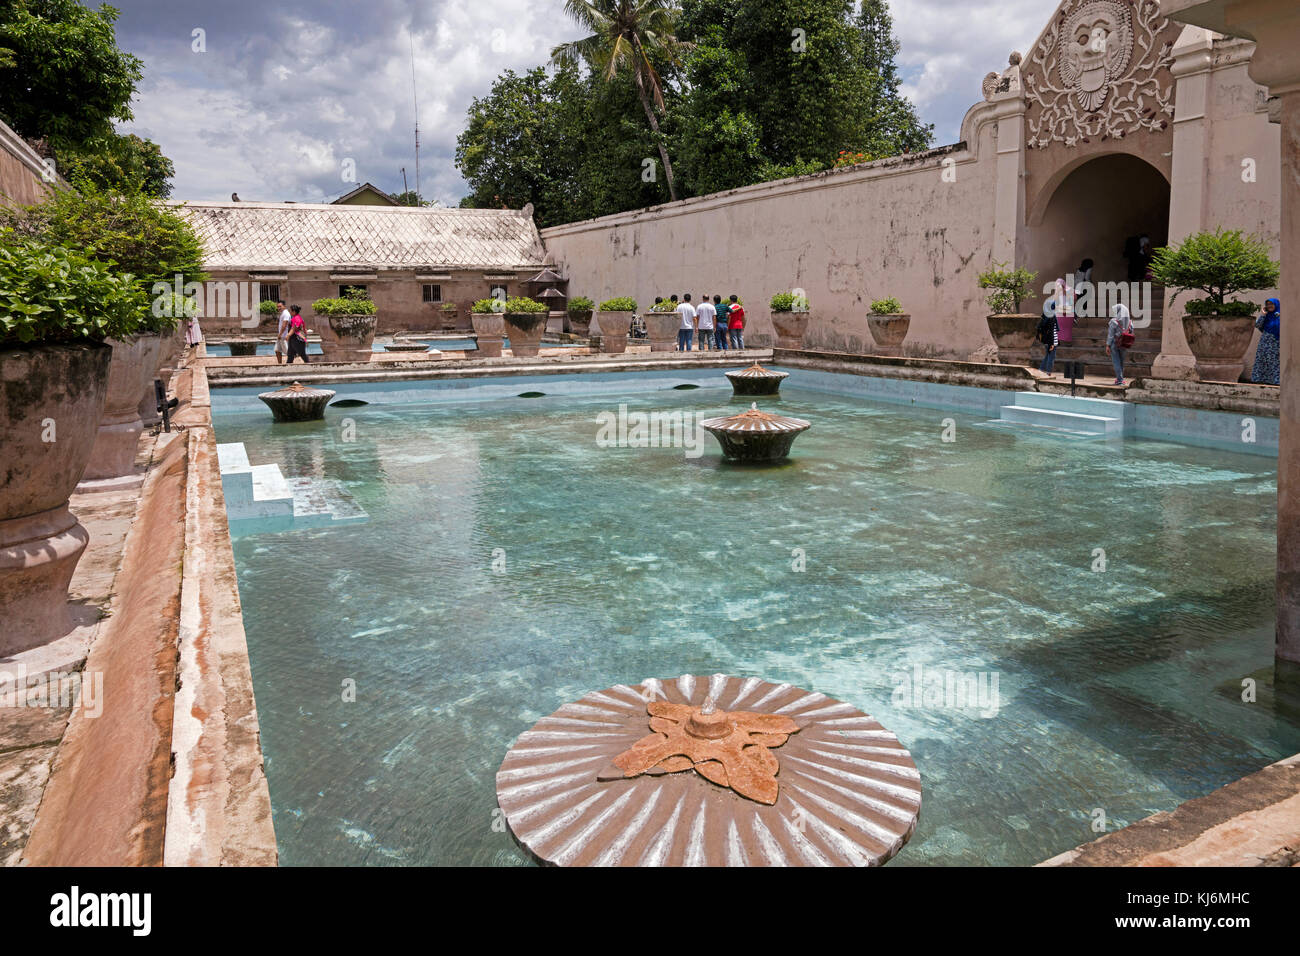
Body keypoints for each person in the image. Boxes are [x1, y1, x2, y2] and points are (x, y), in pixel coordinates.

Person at [1252, 298, 1281, 386]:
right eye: (1268, 304)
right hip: (1265, 342)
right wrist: (1263, 314)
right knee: (1262, 360)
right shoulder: (1266, 316)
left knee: (1275, 361)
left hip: (1276, 342)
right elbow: (1257, 325)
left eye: (1271, 304)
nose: (1269, 306)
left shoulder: (1280, 315)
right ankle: (1261, 379)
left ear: (1276, 305)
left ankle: (1276, 381)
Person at [1105, 301, 1134, 386]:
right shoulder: (1130, 322)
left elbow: (1110, 335)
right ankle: (1120, 379)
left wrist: (1108, 345)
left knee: (1116, 361)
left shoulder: (1113, 321)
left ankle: (1120, 380)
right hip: (1124, 343)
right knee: (1121, 361)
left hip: (1115, 343)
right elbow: (1131, 332)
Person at [1037, 295, 1059, 376]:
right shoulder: (1052, 316)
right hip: (1051, 340)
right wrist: (1052, 343)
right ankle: (1048, 372)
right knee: (1051, 357)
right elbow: (1052, 330)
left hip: (1048, 340)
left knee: (1047, 355)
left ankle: (1041, 369)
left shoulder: (1046, 315)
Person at [274, 300, 291, 365]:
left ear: (284, 306)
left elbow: (284, 325)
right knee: (277, 350)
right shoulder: (283, 313)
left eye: (280, 306)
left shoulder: (286, 314)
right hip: (281, 336)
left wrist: (280, 334)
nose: (278, 308)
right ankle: (280, 364)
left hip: (283, 336)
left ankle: (291, 363)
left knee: (287, 352)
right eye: (278, 307)